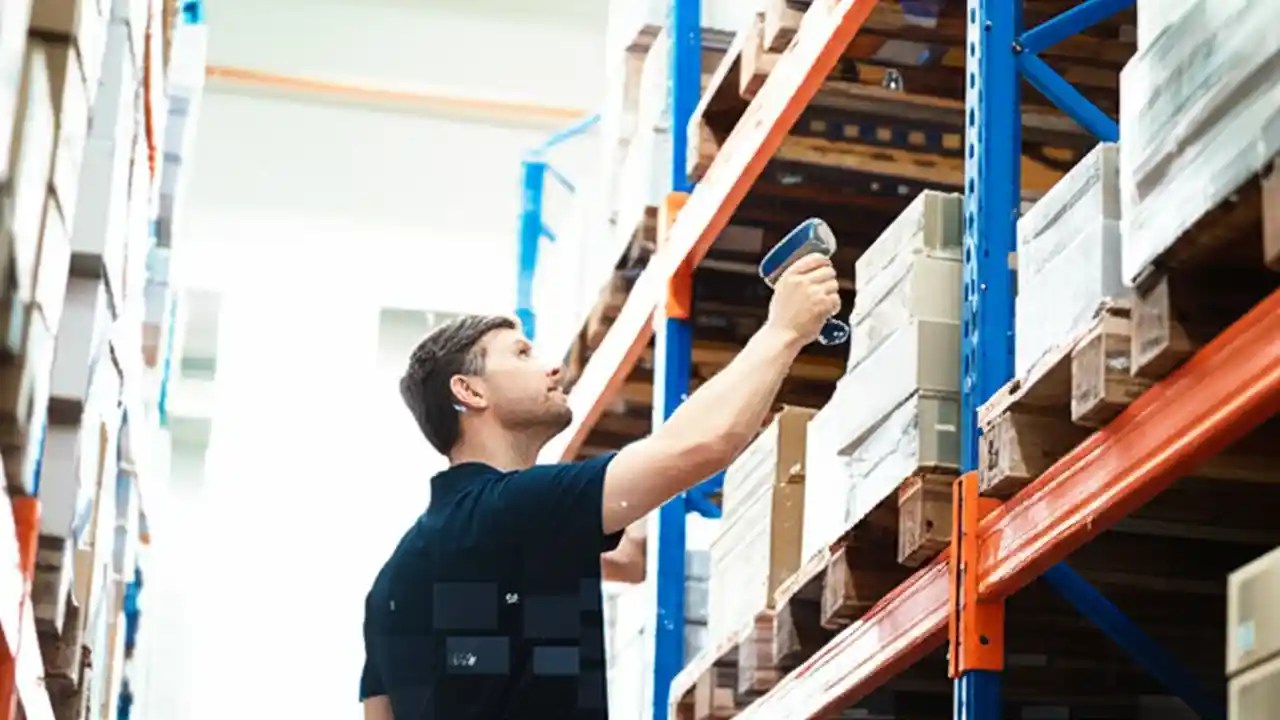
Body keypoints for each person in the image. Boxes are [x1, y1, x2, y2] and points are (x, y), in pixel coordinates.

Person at [360, 254, 841, 719]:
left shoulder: (393, 584)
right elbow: (702, 445)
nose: (552, 367)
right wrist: (784, 329)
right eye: (522, 354)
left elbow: (630, 561)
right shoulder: (514, 507)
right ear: (470, 391)